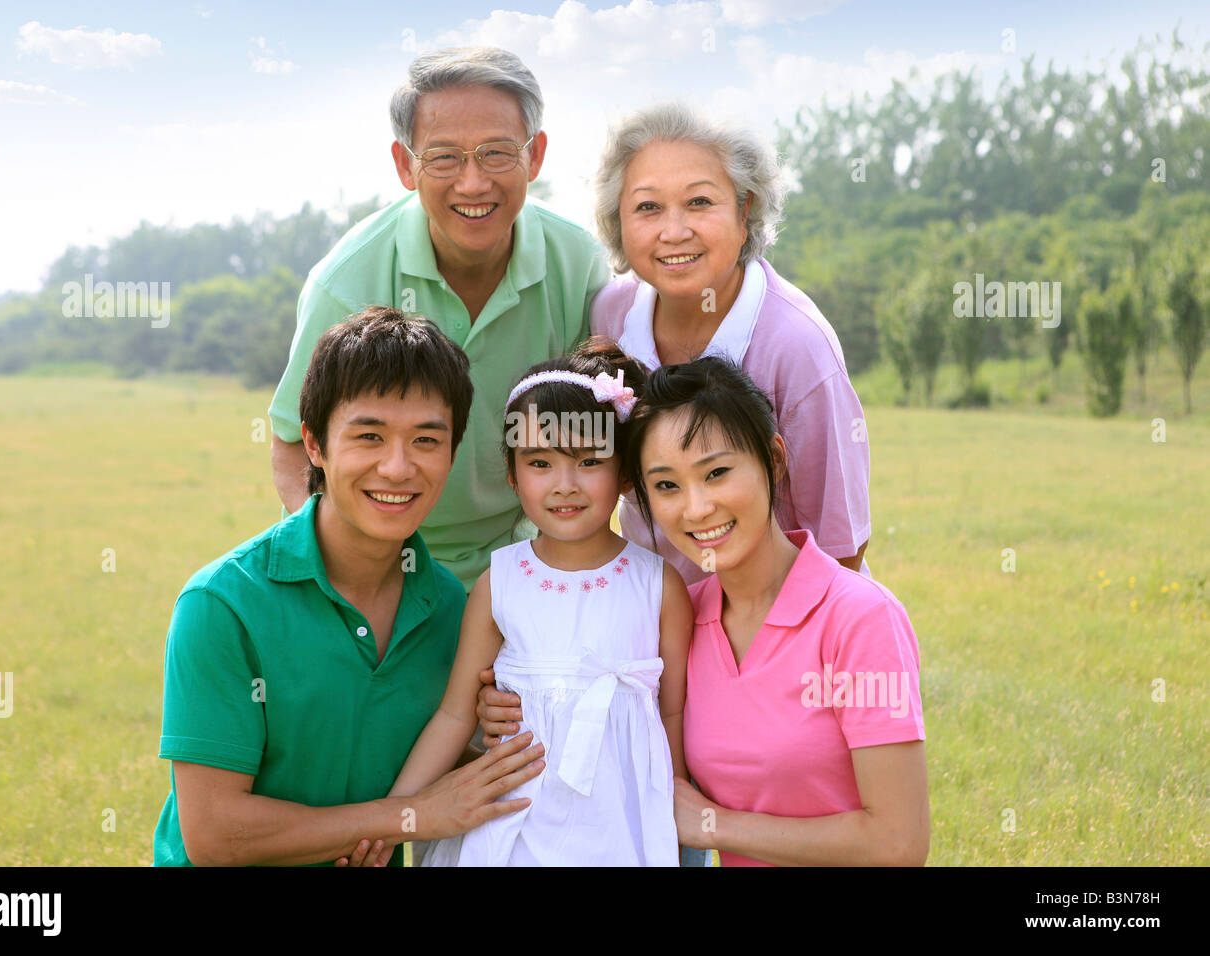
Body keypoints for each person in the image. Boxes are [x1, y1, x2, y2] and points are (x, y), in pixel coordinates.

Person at [152, 308, 546, 867]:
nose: (397, 467)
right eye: (369, 436)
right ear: (314, 444)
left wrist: (490, 726)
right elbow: (215, 834)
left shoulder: (453, 607)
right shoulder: (222, 604)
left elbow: (454, 772)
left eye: (426, 440)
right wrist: (407, 817)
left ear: (453, 452)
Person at [269, 46, 609, 590]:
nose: (473, 184)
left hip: (529, 560)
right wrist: (342, 578)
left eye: (497, 153)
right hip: (381, 565)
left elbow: (607, 428)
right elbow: (291, 438)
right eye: (444, 157)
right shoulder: (346, 282)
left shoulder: (581, 266)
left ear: (536, 155)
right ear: (406, 164)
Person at [359, 339, 692, 866]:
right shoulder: (503, 581)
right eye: (540, 462)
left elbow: (672, 715)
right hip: (513, 828)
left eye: (588, 460)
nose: (565, 485)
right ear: (513, 476)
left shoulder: (658, 585)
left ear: (625, 473)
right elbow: (452, 716)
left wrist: (675, 823)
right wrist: (394, 816)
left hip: (621, 830)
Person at [627, 358, 928, 866]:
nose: (696, 508)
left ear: (774, 458)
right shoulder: (682, 619)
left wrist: (713, 824)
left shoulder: (861, 619)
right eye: (667, 486)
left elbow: (898, 844)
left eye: (717, 473)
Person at [588, 102, 871, 587]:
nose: (674, 232)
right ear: (618, 218)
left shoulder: (797, 346)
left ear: (744, 211)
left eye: (699, 202)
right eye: (648, 206)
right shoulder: (609, 314)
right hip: (655, 625)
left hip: (770, 629)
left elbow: (840, 545)